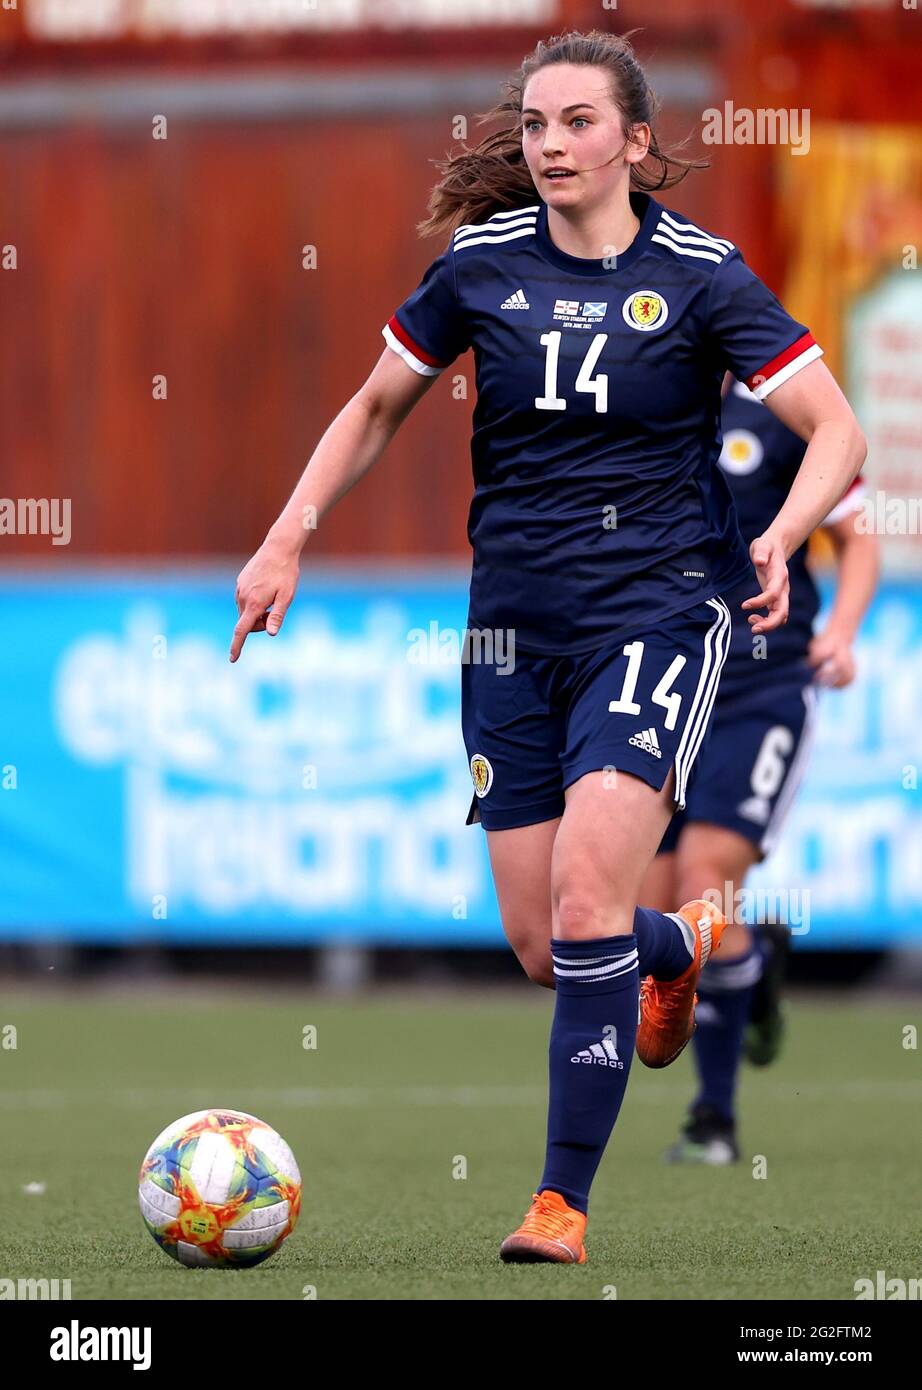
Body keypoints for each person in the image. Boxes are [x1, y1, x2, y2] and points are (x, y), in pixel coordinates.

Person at [230, 29, 867, 1263]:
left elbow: (833, 429)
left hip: (660, 613)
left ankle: (557, 1203)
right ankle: (676, 943)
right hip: (511, 632)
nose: (550, 144)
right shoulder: (480, 264)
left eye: (577, 122)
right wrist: (283, 541)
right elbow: (371, 409)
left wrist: (783, 535)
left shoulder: (702, 275)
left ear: (634, 140)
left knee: (586, 898)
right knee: (542, 943)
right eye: (533, 124)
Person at [640, 373, 878, 1164]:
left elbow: (859, 534)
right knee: (651, 917)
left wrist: (840, 633)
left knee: (703, 885)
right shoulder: (641, 404)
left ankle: (713, 1121)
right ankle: (757, 966)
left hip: (761, 684)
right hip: (666, 682)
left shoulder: (782, 413)